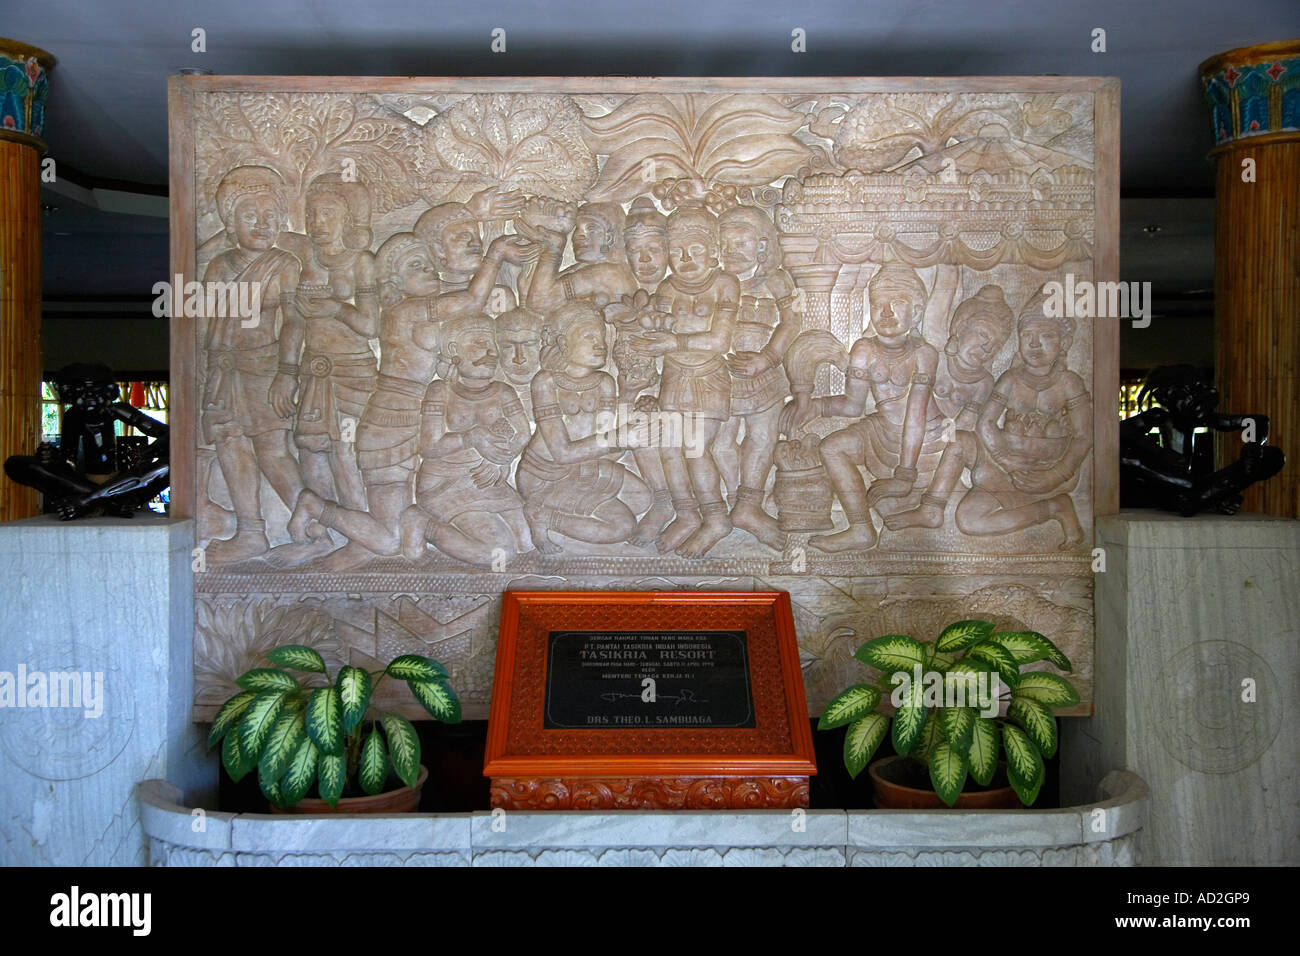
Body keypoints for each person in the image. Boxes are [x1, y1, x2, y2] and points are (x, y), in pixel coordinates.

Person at [782, 263, 946, 553]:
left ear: (917, 312)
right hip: (881, 429)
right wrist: (816, 407)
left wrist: (904, 475)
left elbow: (915, 416)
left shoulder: (924, 354)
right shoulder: (864, 350)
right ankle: (860, 528)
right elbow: (853, 405)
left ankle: (915, 503)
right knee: (832, 447)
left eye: (897, 303)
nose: (886, 313)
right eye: (877, 304)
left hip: (923, 438)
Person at [200, 165, 306, 561]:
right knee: (230, 442)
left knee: (272, 450)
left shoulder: (283, 265)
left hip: (264, 366)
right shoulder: (217, 265)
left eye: (271, 217)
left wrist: (287, 373)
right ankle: (251, 532)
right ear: (230, 222)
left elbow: (295, 321)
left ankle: (312, 527)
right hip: (224, 368)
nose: (262, 225)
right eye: (250, 216)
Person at [629, 204, 740, 557]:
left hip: (708, 376)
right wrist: (644, 328)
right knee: (668, 447)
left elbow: (720, 341)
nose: (686, 259)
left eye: (695, 250)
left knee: (695, 447)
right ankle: (687, 513)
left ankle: (717, 518)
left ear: (714, 251)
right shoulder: (667, 287)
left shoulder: (725, 284)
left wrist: (673, 341)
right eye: (677, 252)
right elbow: (658, 330)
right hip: (675, 377)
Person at [954, 296, 1091, 546]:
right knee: (968, 520)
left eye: (1046, 335)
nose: (1035, 344)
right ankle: (1053, 509)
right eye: (1027, 336)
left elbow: (1084, 436)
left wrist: (1056, 474)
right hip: (1007, 470)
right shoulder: (1010, 379)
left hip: (1051, 474)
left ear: (1064, 343)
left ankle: (1056, 502)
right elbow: (985, 424)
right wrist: (1006, 462)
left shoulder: (1069, 383)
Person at [398, 314, 533, 566]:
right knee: (500, 554)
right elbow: (428, 446)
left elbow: (523, 433)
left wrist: (501, 459)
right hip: (446, 484)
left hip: (487, 481)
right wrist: (472, 437)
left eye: (493, 343)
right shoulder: (440, 391)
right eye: (479, 342)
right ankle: (422, 523)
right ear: (453, 350)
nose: (490, 351)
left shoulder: (504, 392)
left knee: (528, 542)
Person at [517, 300, 650, 552]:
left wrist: (629, 396)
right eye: (588, 336)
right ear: (564, 344)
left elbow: (612, 450)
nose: (599, 343)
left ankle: (566, 513)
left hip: (585, 466)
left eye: (601, 335)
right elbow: (562, 453)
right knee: (623, 527)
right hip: (545, 475)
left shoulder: (604, 382)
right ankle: (543, 517)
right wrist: (619, 438)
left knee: (642, 498)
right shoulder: (546, 382)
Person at [887, 283, 1013, 530]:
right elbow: (914, 407)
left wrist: (942, 439)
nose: (988, 347)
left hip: (947, 444)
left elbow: (966, 423)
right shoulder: (936, 360)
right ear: (960, 329)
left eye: (996, 345)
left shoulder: (984, 382)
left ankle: (932, 508)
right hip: (913, 438)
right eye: (983, 335)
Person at [713, 204, 802, 550]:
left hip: (765, 374)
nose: (733, 251)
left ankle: (748, 504)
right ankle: (742, 501)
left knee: (763, 438)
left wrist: (767, 358)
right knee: (719, 441)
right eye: (726, 245)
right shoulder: (717, 282)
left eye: (742, 243)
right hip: (722, 373)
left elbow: (792, 321)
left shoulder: (776, 280)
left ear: (762, 246)